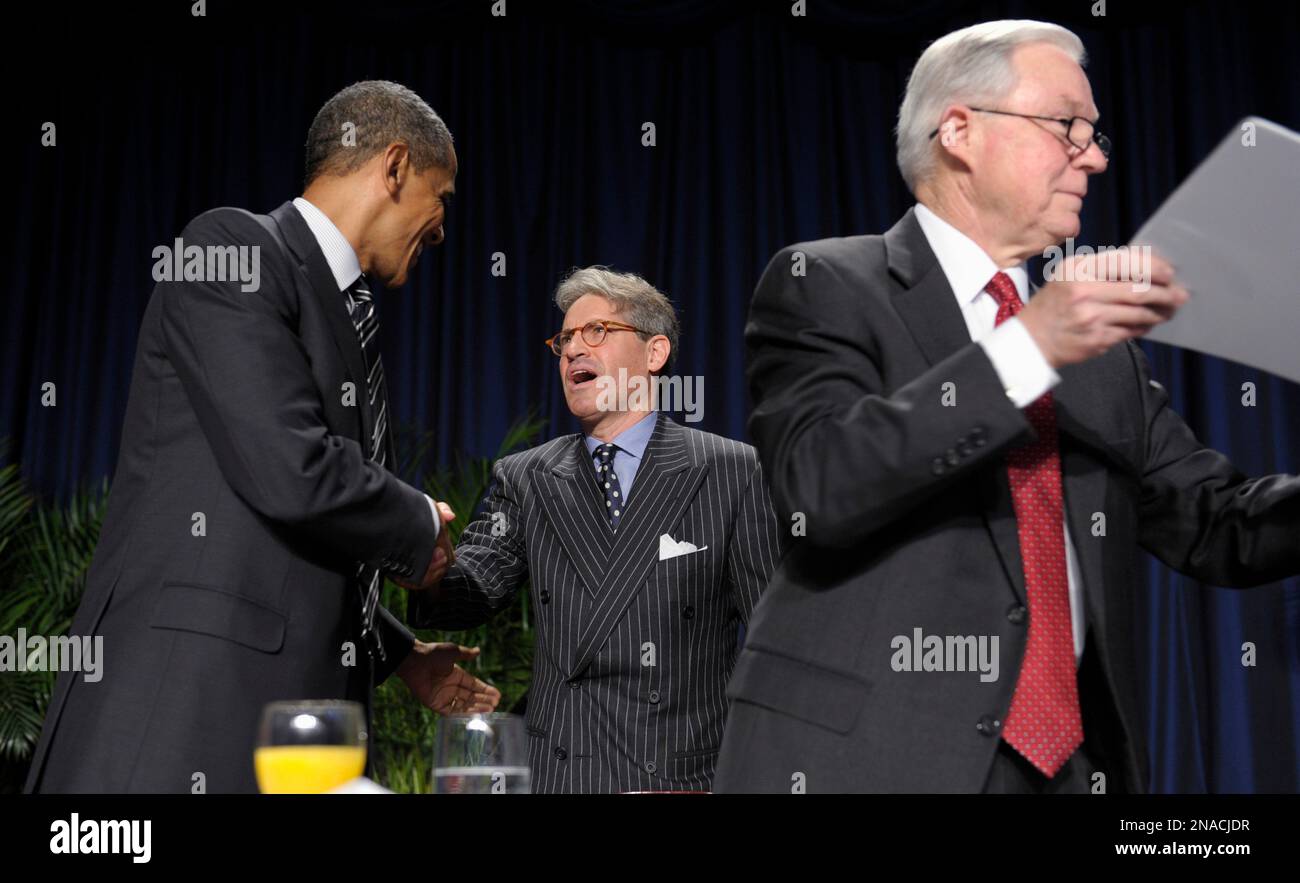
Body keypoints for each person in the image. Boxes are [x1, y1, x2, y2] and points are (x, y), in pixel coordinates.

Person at [714, 20, 1300, 793]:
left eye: (1096, 136)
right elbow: (820, 485)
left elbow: (1217, 525)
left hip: (1070, 771)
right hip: (862, 760)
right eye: (1068, 127)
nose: (1092, 156)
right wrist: (1029, 348)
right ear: (959, 129)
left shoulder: (1103, 351)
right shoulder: (825, 281)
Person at [27, 80, 498, 794]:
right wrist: (416, 523)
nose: (441, 228)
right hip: (187, 716)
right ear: (395, 166)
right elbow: (290, 466)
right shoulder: (232, 248)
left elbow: (296, 545)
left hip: (288, 734)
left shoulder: (347, 318)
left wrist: (398, 654)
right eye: (445, 198)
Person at [407, 267, 785, 792]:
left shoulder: (731, 471)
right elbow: (469, 593)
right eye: (563, 339)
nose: (571, 351)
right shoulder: (526, 476)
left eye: (597, 332)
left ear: (654, 354)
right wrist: (426, 558)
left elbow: (777, 643)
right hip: (558, 775)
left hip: (677, 778)